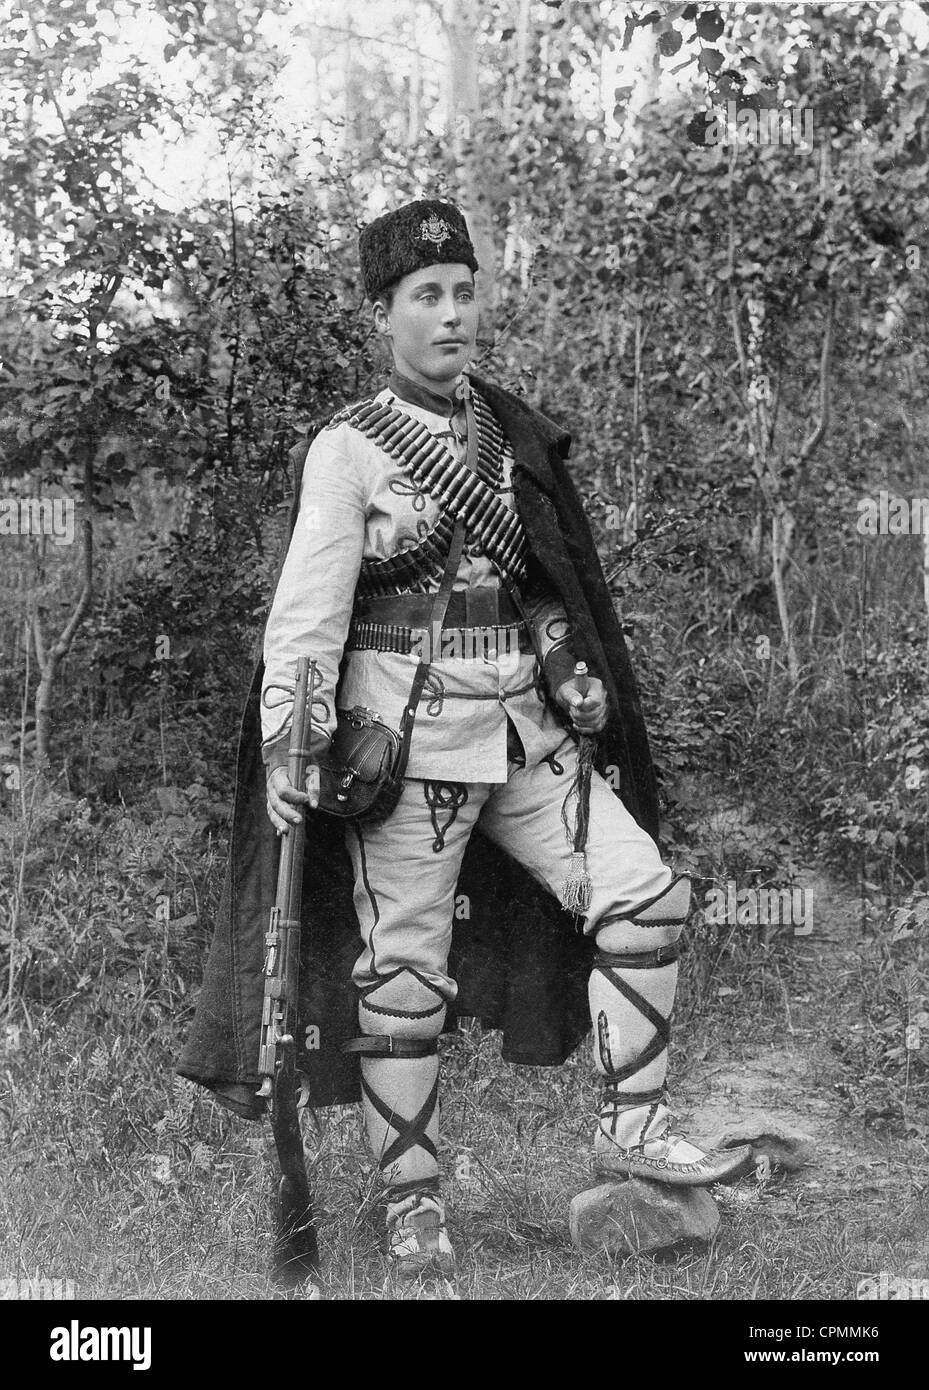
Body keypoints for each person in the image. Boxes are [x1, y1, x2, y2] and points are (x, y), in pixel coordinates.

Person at [178, 198, 750, 1280]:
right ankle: (410, 1202)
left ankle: (630, 1132)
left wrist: (567, 668)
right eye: (425, 298)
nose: (451, 316)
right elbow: (305, 617)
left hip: (529, 741)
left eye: (462, 292)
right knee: (401, 980)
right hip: (402, 755)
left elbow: (547, 583)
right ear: (382, 315)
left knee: (644, 898)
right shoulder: (349, 450)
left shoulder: (506, 431)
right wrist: (295, 752)